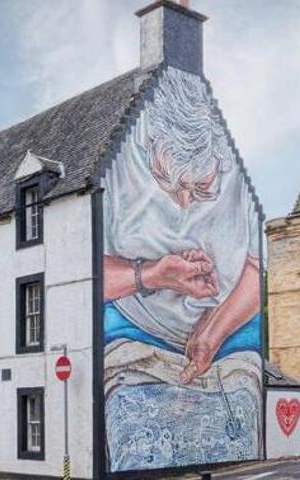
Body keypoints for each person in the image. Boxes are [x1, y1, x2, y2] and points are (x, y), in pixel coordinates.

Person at [103, 66, 262, 471]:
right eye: (167, 180)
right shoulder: (114, 164)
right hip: (133, 336)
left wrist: (214, 330)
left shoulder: (236, 175)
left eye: (202, 188)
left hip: (231, 341)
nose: (185, 203)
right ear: (150, 141)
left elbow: (257, 268)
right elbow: (80, 275)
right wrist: (151, 275)